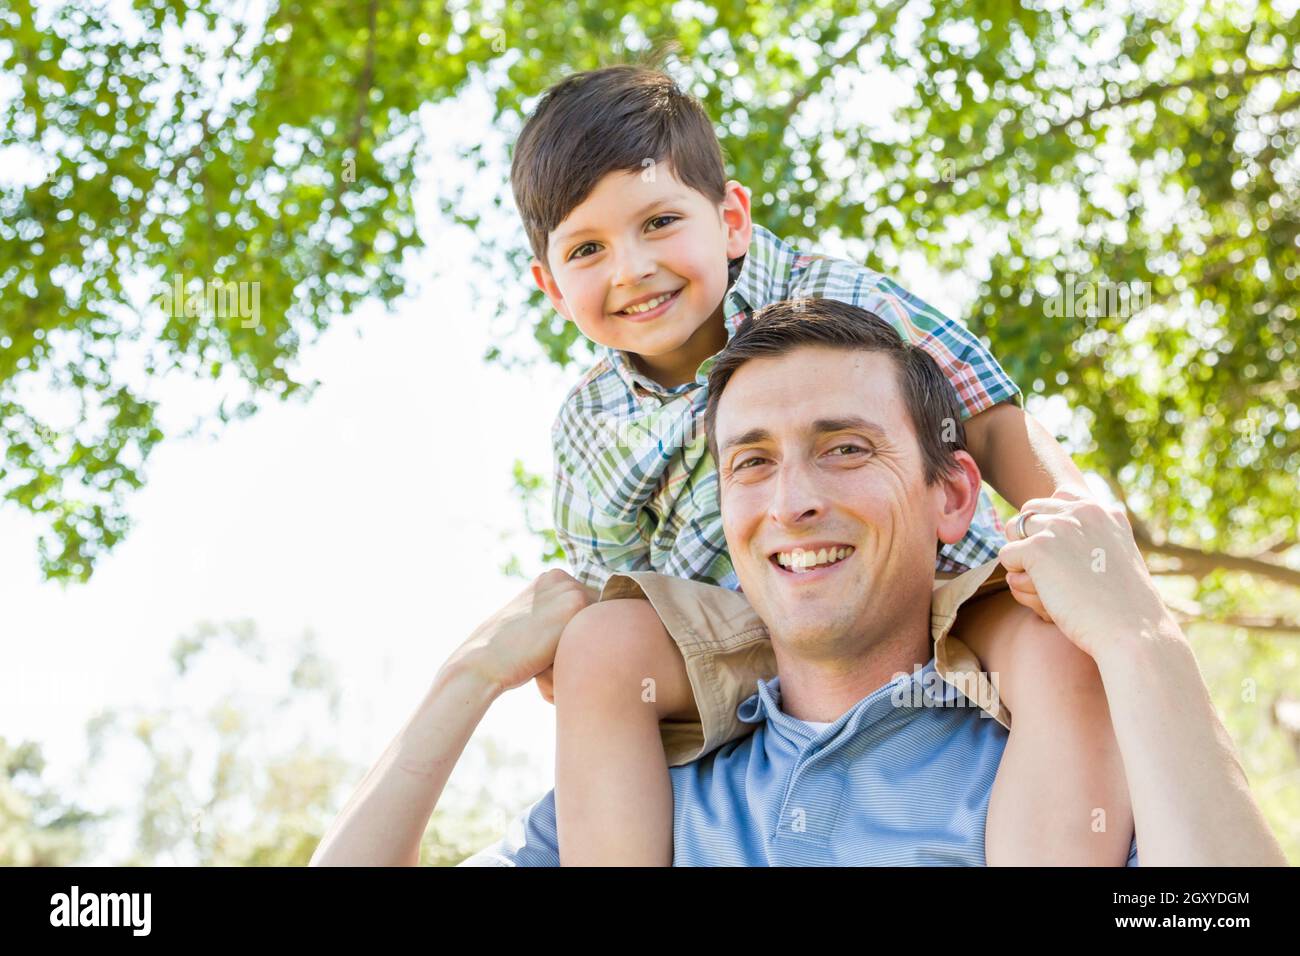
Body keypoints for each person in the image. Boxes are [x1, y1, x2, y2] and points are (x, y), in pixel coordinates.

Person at [311, 299, 1286, 866]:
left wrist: (1140, 637)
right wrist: (468, 678)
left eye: (845, 448)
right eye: (750, 463)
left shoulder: (1049, 766)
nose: (793, 500)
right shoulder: (644, 797)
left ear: (952, 496)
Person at [512, 62, 1126, 864]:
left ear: (731, 220)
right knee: (599, 649)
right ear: (552, 288)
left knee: (1059, 650)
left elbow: (985, 412)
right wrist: (585, 657)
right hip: (738, 629)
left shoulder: (832, 298)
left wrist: (1076, 521)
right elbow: (612, 577)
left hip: (926, 585)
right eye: (588, 248)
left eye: (659, 223)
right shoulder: (591, 424)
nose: (631, 268)